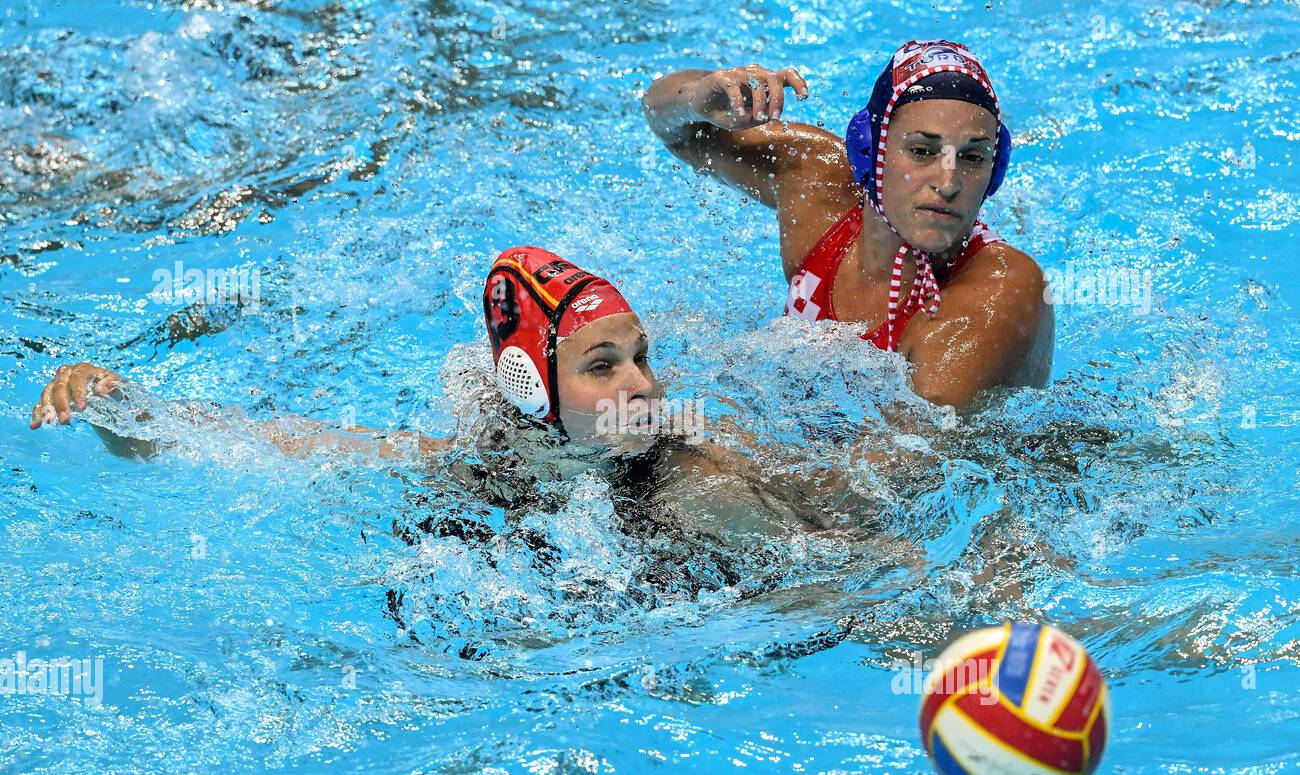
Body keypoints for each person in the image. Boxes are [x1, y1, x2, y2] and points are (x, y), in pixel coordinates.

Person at [28, 246, 854, 537]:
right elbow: (259, 445)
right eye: (604, 366)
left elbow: (858, 552)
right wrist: (117, 403)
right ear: (530, 386)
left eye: (642, 355)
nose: (646, 385)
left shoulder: (699, 470)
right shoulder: (466, 466)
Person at [642, 39, 1053, 410]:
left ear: (995, 172)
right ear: (867, 149)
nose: (947, 184)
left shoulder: (998, 291)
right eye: (922, 151)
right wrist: (699, 99)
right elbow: (676, 130)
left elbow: (896, 475)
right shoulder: (817, 184)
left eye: (973, 158)